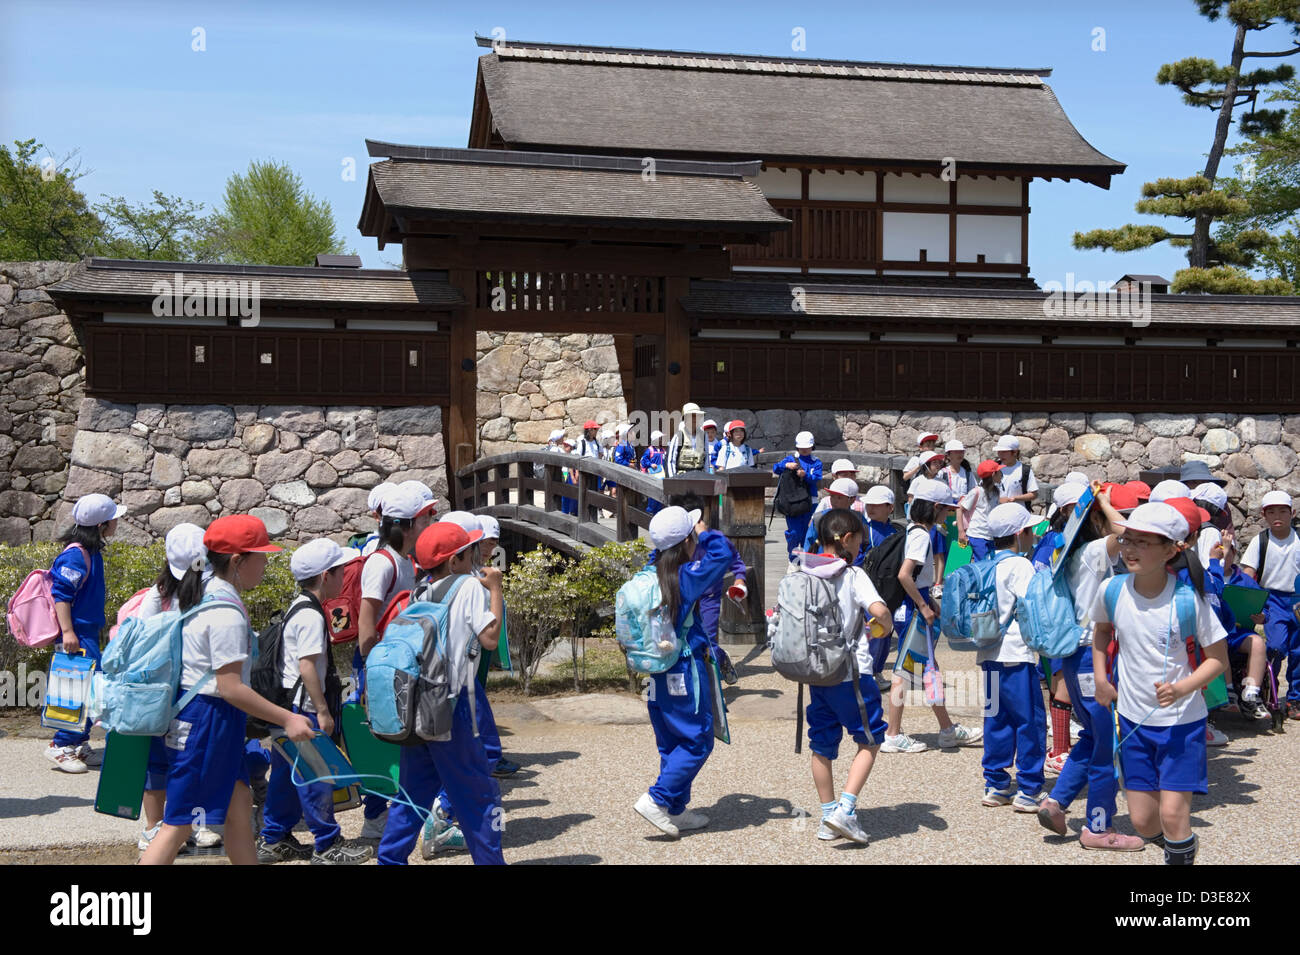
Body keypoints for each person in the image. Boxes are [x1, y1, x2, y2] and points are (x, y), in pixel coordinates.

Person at [139, 516, 314, 866]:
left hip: (207, 718)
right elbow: (230, 687)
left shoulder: (206, 592)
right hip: (208, 721)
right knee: (179, 823)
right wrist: (288, 718)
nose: (266, 563)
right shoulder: (225, 611)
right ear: (237, 561)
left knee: (238, 805)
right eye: (261, 556)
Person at [1092, 502, 1230, 865]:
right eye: (1127, 540)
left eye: (1143, 542)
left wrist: (1183, 688)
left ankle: (1179, 862)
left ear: (1171, 550)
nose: (1131, 549)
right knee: (1142, 820)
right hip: (1134, 722)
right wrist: (1103, 680)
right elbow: (1101, 634)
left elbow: (1218, 659)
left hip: (1181, 724)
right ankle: (1178, 845)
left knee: (1172, 816)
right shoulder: (1111, 590)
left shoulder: (1189, 600)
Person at [377, 522, 506, 866]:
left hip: (419, 702)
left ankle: (390, 859)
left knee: (412, 794)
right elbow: (490, 638)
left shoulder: (419, 592)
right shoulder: (468, 587)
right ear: (454, 560)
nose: (475, 558)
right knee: (479, 794)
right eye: (469, 553)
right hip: (454, 704)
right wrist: (495, 588)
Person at [1035, 487, 1146, 850]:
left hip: (1072, 655)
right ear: (1091, 518)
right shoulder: (1093, 552)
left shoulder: (1063, 554)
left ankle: (1058, 800)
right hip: (1089, 657)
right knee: (1107, 745)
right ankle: (1098, 827)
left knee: (1094, 736)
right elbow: (1126, 532)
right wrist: (1103, 501)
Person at [258, 539, 372, 865]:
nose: (344, 577)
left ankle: (274, 838)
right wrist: (322, 710)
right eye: (340, 571)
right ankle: (326, 844)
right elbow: (307, 666)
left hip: (287, 706)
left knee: (285, 775)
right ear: (326, 575)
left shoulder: (298, 606)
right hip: (303, 708)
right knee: (315, 776)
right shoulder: (311, 615)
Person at [633, 506, 742, 838]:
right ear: (688, 539)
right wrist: (706, 532)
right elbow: (724, 555)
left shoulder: (649, 571)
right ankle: (657, 799)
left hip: (656, 668)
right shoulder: (687, 578)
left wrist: (686, 534)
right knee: (697, 740)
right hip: (683, 665)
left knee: (671, 740)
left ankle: (675, 810)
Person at [799, 508, 894, 845]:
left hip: (815, 673)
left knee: (821, 744)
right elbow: (880, 613)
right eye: (861, 541)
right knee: (870, 739)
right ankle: (846, 808)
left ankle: (827, 817)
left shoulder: (804, 571)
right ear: (849, 539)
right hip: (851, 673)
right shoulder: (853, 575)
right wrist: (882, 629)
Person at [355, 483, 433, 839]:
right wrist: (373, 677)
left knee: (400, 739)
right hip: (381, 667)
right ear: (409, 525)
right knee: (378, 741)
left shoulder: (404, 560)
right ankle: (374, 817)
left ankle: (398, 814)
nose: (430, 522)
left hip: (399, 664)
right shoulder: (382, 563)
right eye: (425, 517)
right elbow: (366, 625)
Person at [883, 479, 982, 753]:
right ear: (936, 507)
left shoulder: (914, 531)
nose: (949, 515)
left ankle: (947, 730)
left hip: (914, 607)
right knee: (905, 672)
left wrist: (928, 603)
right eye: (947, 509)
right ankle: (893, 734)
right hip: (914, 611)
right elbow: (905, 574)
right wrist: (924, 605)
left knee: (927, 670)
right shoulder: (921, 536)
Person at [133, 523, 208, 851]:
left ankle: (158, 827)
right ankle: (182, 825)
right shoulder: (210, 591)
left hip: (159, 693)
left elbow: (140, 643)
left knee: (160, 763)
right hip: (190, 692)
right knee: (189, 761)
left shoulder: (157, 594)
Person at [45, 493, 123, 773]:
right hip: (77, 634)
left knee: (92, 689)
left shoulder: (90, 552)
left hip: (86, 631)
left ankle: (78, 742)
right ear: (102, 525)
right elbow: (61, 595)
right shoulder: (77, 555)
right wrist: (68, 631)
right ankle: (61, 745)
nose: (117, 522)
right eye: (114, 518)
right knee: (79, 690)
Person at [976, 503, 1045, 812]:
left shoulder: (984, 564)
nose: (1033, 536)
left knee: (995, 718)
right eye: (1030, 530)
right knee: (1028, 719)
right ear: (1020, 534)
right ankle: (1029, 788)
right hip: (1017, 653)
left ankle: (996, 783)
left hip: (988, 655)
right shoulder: (1021, 565)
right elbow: (1034, 605)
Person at [1236, 490, 1300, 720]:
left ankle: (1295, 699)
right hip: (1271, 599)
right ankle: (1267, 693)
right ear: (1264, 515)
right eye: (1271, 512)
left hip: (1297, 598)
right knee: (1275, 647)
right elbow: (1248, 574)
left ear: (1292, 513)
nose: (1277, 516)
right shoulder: (1260, 540)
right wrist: (1253, 605)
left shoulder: (1298, 539)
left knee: (1298, 651)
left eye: (1283, 510)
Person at [861, 485, 900, 679]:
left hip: (890, 590)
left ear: (890, 508)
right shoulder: (863, 529)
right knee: (872, 631)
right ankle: (869, 672)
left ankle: (876, 671)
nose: (871, 508)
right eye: (869, 504)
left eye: (877, 505)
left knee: (885, 632)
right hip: (868, 589)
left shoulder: (897, 531)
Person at [771, 431, 823, 560]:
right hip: (791, 501)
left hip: (810, 501)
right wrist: (786, 465)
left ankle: (808, 559)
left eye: (807, 447)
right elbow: (775, 468)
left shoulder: (816, 462)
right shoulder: (790, 458)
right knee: (794, 532)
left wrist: (806, 475)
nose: (804, 450)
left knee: (809, 533)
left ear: (812, 446)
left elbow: (816, 478)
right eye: (802, 447)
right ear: (797, 446)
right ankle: (793, 559)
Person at [803, 478, 864, 559]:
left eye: (839, 498)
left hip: (850, 563)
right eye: (832, 496)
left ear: (852, 500)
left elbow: (865, 544)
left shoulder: (858, 519)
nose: (834, 501)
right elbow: (809, 543)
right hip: (822, 563)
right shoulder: (819, 518)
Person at [957, 459, 1002, 561]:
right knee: (983, 565)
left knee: (990, 565)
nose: (1001, 474)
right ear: (993, 474)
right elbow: (960, 509)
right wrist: (961, 532)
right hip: (977, 535)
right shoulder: (976, 491)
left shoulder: (996, 492)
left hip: (990, 535)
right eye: (999, 472)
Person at [667, 402, 710, 476]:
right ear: (685, 418)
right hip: (682, 477)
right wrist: (672, 480)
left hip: (699, 476)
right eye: (693, 416)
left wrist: (707, 477)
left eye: (698, 416)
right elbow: (671, 461)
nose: (695, 419)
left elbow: (706, 460)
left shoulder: (704, 436)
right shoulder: (679, 436)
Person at [996, 435, 1037, 507]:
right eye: (999, 451)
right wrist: (997, 499)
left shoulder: (1024, 470)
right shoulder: (993, 467)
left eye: (1004, 452)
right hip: (995, 513)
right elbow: (982, 491)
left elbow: (1033, 494)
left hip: (1018, 514)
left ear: (1014, 452)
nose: (1000, 455)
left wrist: (1015, 498)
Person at [641, 430, 668, 516]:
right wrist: (650, 464)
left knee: (660, 495)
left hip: (662, 475)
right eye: (659, 438)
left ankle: (658, 513)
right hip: (653, 475)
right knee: (653, 495)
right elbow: (643, 461)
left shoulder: (662, 449)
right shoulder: (650, 450)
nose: (661, 440)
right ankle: (650, 512)